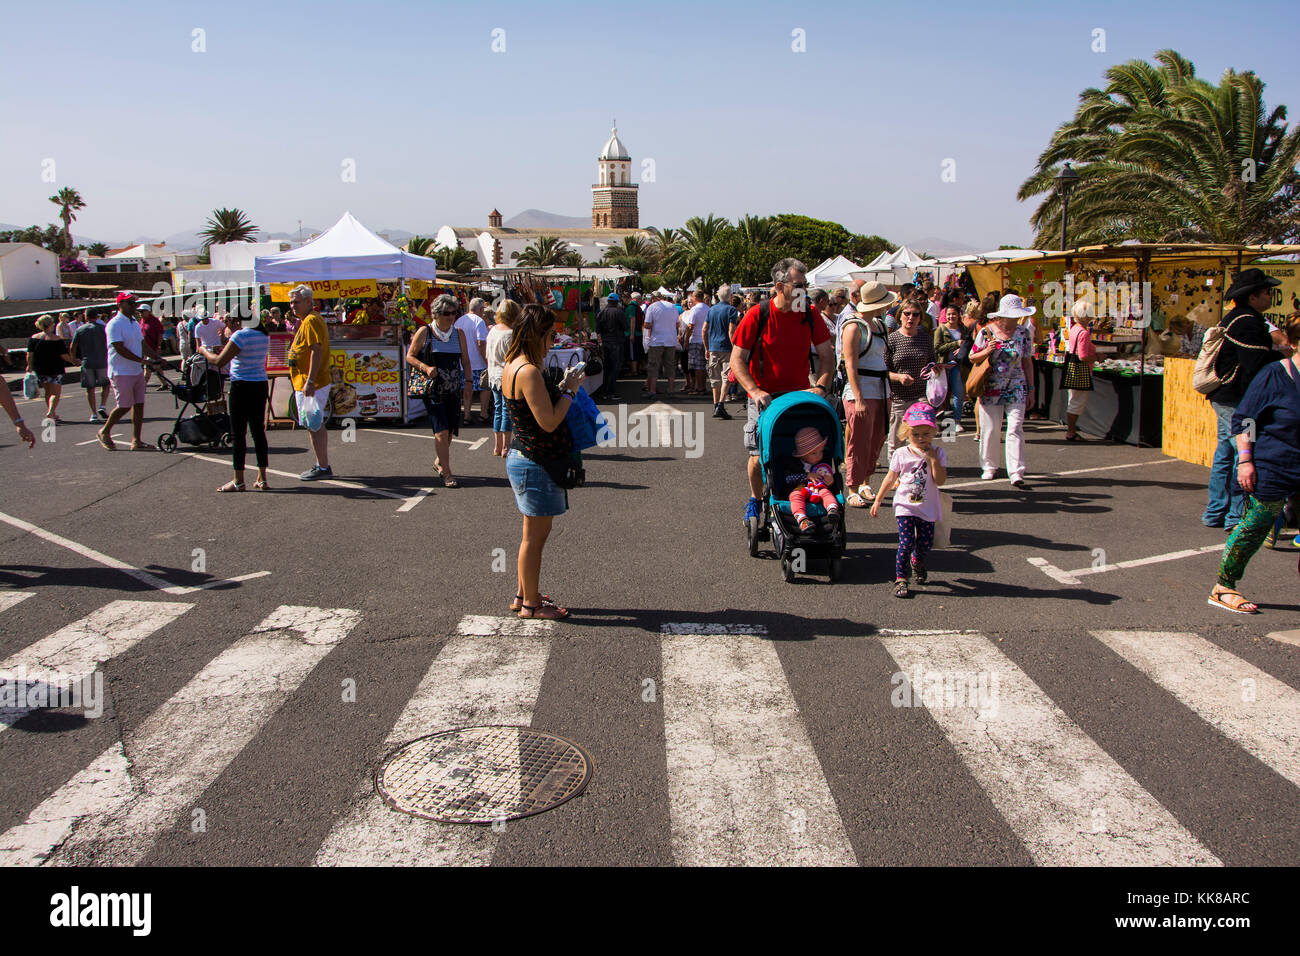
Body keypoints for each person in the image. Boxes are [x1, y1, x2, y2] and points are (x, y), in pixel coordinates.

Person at [730, 257, 835, 527]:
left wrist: (821, 386)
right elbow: (737, 359)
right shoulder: (758, 314)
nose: (805, 290)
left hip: (799, 397)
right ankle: (755, 499)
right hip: (764, 396)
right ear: (780, 286)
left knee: (801, 452)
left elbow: (827, 355)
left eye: (806, 284)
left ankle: (797, 505)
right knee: (757, 455)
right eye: (799, 285)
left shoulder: (809, 314)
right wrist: (754, 390)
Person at [501, 304, 587, 620]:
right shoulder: (529, 371)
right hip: (536, 460)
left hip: (523, 456)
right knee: (535, 539)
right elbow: (548, 421)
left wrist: (561, 388)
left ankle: (525, 593)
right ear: (538, 334)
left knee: (530, 536)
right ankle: (531, 606)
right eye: (551, 334)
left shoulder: (513, 365)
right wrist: (571, 393)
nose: (554, 340)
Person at [1207, 344, 1300, 613]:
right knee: (1256, 525)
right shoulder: (1274, 374)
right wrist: (1245, 460)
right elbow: (1246, 418)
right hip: (1273, 464)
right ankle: (1223, 587)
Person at [1202, 268, 1282, 532]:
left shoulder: (1237, 318)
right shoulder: (1247, 322)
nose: (1270, 296)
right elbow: (1256, 363)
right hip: (1238, 401)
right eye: (1267, 292)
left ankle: (1216, 512)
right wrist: (1284, 356)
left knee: (1225, 452)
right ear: (1253, 296)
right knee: (1243, 455)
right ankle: (1235, 517)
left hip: (1227, 398)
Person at [870, 402, 947, 599]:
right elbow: (890, 477)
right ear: (906, 432)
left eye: (926, 434)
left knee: (925, 543)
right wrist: (878, 499)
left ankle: (917, 561)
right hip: (905, 505)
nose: (921, 439)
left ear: (933, 431)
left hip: (927, 506)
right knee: (905, 543)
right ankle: (901, 579)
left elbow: (940, 480)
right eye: (916, 434)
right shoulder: (901, 454)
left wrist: (933, 460)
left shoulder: (938, 453)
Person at [199, 311, 271, 492]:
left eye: (230, 321)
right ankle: (262, 478)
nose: (228, 325)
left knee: (238, 434)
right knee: (258, 432)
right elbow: (241, 353)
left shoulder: (241, 335)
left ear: (239, 320)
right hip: (260, 384)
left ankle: (238, 480)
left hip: (241, 386)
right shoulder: (263, 335)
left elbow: (218, 361)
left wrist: (204, 351)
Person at [969, 294, 1036, 486]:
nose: (1015, 319)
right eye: (1012, 315)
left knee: (1015, 428)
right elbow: (973, 357)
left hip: (1016, 386)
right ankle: (989, 466)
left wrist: (1031, 388)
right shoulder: (987, 332)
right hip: (991, 386)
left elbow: (1027, 361)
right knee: (990, 429)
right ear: (1002, 316)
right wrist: (988, 350)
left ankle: (1016, 471)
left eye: (1018, 315)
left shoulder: (1023, 333)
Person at [407, 293, 473, 486]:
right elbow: (410, 356)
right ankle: (447, 472)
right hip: (433, 389)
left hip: (452, 389)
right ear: (435, 314)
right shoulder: (424, 332)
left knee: (450, 430)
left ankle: (439, 461)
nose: (450, 316)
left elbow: (466, 361)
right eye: (446, 313)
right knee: (441, 431)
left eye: (453, 312)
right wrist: (425, 368)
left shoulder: (458, 333)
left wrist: (468, 383)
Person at [841, 281, 895, 506]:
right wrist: (859, 398)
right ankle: (853, 487)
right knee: (859, 440)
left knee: (876, 439)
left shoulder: (880, 325)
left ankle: (865, 482)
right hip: (861, 391)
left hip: (882, 390)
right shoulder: (854, 327)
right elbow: (850, 366)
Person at [98, 293, 162, 451]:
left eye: (135, 304)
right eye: (130, 303)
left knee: (139, 404)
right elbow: (119, 348)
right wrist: (141, 361)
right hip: (121, 371)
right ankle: (104, 431)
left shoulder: (134, 322)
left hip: (135, 370)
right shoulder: (114, 324)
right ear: (120, 304)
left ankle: (137, 440)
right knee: (124, 405)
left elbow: (142, 344)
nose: (134, 307)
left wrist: (156, 357)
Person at [285, 285, 334, 480]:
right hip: (306, 381)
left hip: (312, 382)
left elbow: (316, 350)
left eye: (296, 302)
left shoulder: (311, 320)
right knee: (311, 423)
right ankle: (321, 465)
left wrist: (311, 380)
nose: (292, 306)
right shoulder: (307, 320)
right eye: (291, 302)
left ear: (308, 301)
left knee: (314, 423)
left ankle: (323, 466)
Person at [884, 296, 937, 460]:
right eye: (907, 314)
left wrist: (936, 370)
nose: (911, 318)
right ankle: (895, 473)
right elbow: (884, 371)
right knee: (897, 439)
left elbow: (931, 363)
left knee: (922, 435)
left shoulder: (925, 338)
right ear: (900, 316)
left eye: (915, 314)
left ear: (920, 318)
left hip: (921, 395)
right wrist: (898, 377)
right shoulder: (892, 339)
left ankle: (921, 467)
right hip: (898, 396)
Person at [779, 426, 841, 532]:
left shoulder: (822, 464)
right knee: (795, 496)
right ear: (803, 455)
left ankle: (832, 509)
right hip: (799, 488)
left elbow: (830, 477)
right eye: (814, 453)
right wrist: (806, 476)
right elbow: (788, 479)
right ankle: (802, 519)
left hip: (817, 489)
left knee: (826, 492)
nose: (819, 456)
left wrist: (830, 481)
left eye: (821, 452)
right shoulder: (793, 464)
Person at [486, 299, 520, 457]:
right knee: (507, 411)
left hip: (492, 374)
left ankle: (497, 446)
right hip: (505, 375)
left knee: (498, 410)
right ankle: (506, 446)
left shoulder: (493, 330)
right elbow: (512, 358)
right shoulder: (510, 334)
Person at [27, 315, 74, 423]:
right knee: (55, 393)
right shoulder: (56, 339)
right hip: (55, 368)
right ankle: (51, 412)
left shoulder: (34, 338)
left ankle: (52, 412)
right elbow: (64, 356)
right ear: (50, 325)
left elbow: (29, 355)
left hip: (40, 368)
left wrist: (29, 366)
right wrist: (73, 361)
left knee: (47, 392)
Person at [1063, 299, 1098, 441]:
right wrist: (1097, 357)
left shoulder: (1074, 328)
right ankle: (1071, 431)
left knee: (1073, 400)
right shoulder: (1083, 332)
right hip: (1080, 369)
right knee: (1077, 402)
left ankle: (1071, 430)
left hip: (1073, 368)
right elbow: (1083, 356)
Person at [703, 283, 738, 419]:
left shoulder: (711, 310)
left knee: (714, 379)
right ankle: (721, 405)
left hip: (713, 347)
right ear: (730, 296)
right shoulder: (731, 310)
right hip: (726, 348)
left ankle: (715, 404)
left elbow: (704, 329)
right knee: (726, 377)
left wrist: (706, 347)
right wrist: (735, 347)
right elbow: (731, 330)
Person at [70, 308, 111, 421]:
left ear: (86, 317)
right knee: (106, 384)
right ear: (97, 317)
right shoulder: (104, 329)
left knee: (90, 388)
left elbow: (73, 346)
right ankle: (102, 405)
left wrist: (74, 359)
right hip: (102, 361)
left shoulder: (81, 329)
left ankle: (93, 414)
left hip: (87, 361)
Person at [455, 298, 490, 425]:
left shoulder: (459, 320)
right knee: (485, 387)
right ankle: (483, 413)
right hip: (477, 361)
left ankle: (467, 415)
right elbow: (481, 343)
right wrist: (487, 360)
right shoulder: (479, 321)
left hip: (463, 362)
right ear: (480, 309)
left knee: (467, 389)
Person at [933, 305, 969, 430]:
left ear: (958, 315)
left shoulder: (963, 329)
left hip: (958, 365)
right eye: (948, 314)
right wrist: (955, 344)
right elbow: (937, 348)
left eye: (954, 314)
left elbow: (969, 345)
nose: (951, 316)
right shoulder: (941, 329)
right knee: (939, 393)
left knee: (958, 393)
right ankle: (931, 420)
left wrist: (962, 347)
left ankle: (957, 421)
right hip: (943, 365)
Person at [642, 291, 680, 397]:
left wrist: (654, 325)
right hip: (671, 340)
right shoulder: (673, 307)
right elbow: (677, 324)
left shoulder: (652, 307)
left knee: (653, 365)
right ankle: (671, 389)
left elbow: (647, 325)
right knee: (670, 365)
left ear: (653, 299)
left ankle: (652, 390)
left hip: (656, 340)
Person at [594, 292, 628, 401]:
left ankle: (604, 391)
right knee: (615, 367)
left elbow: (598, 330)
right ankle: (611, 392)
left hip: (605, 342)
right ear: (617, 302)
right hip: (617, 342)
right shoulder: (619, 312)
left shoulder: (601, 313)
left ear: (608, 301)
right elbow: (625, 327)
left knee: (607, 368)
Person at [680, 290, 708, 395]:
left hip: (696, 339)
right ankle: (703, 386)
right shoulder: (707, 308)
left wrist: (686, 340)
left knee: (697, 366)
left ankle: (699, 388)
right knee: (703, 366)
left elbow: (690, 326)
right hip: (705, 340)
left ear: (695, 297)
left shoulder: (695, 310)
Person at [139, 303, 165, 390]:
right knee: (157, 368)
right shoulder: (142, 321)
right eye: (139, 311)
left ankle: (142, 387)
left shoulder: (154, 321)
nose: (140, 313)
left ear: (148, 312)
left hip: (152, 349)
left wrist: (158, 346)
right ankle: (165, 383)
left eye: (142, 311)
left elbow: (160, 335)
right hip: (145, 349)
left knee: (148, 368)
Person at [627, 292, 646, 378]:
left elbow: (632, 320)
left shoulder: (631, 307)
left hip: (633, 333)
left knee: (633, 352)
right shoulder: (638, 307)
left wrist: (631, 334)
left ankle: (634, 371)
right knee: (639, 351)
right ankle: (641, 368)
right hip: (639, 333)